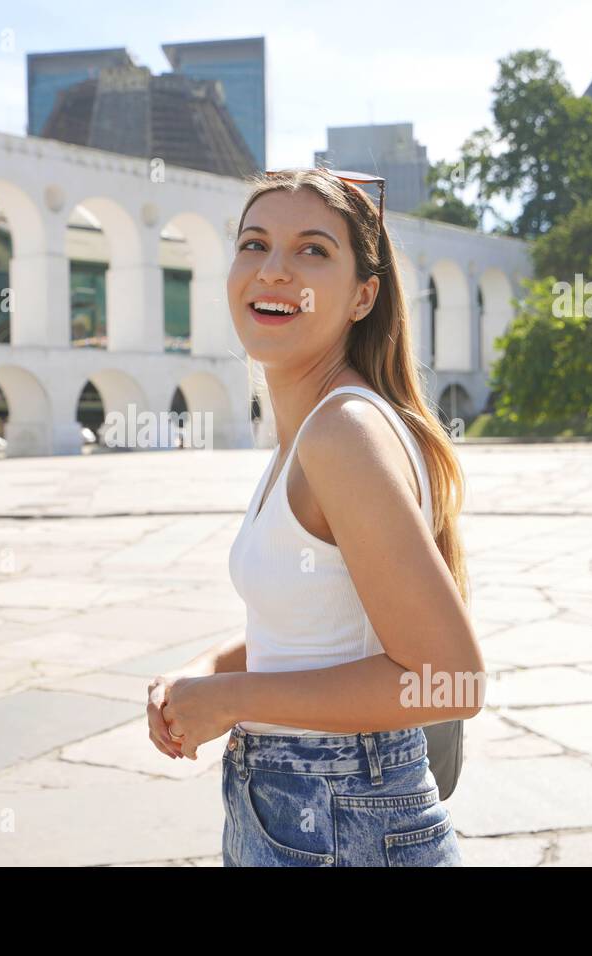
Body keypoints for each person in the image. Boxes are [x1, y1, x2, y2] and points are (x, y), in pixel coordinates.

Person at [146, 167, 482, 866]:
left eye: (312, 251)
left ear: (364, 296)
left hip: (341, 818)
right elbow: (322, 630)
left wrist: (230, 698)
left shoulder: (342, 433)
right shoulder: (315, 433)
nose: (273, 270)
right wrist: (205, 675)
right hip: (301, 811)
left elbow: (452, 678)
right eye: (254, 243)